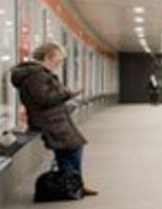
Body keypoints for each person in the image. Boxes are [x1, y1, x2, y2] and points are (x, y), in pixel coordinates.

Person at [10, 42, 98, 196]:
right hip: (50, 121)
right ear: (47, 57)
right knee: (73, 147)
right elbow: (44, 98)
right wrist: (67, 94)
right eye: (57, 61)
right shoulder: (36, 75)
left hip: (52, 120)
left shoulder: (37, 74)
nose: (58, 65)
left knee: (65, 150)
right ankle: (74, 183)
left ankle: (73, 184)